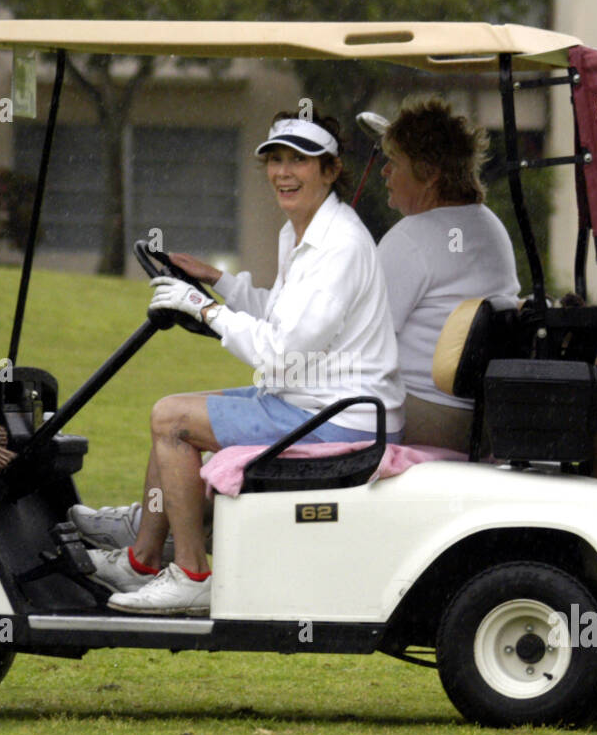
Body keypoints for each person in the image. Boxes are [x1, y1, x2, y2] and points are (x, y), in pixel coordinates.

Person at [70, 111, 405, 616]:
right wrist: (215, 281)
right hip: (309, 400)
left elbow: (280, 352)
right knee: (177, 411)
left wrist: (205, 309)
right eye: (275, 160)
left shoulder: (340, 246)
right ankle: (141, 560)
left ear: (331, 170)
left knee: (171, 418)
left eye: (300, 161)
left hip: (339, 416)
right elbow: (283, 315)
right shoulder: (302, 232)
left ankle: (192, 575)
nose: (284, 172)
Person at [375, 97, 520, 452]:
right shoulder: (490, 225)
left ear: (429, 173)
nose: (384, 172)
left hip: (427, 416)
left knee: (298, 402)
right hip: (484, 418)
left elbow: (360, 340)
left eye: (394, 163)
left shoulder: (411, 237)